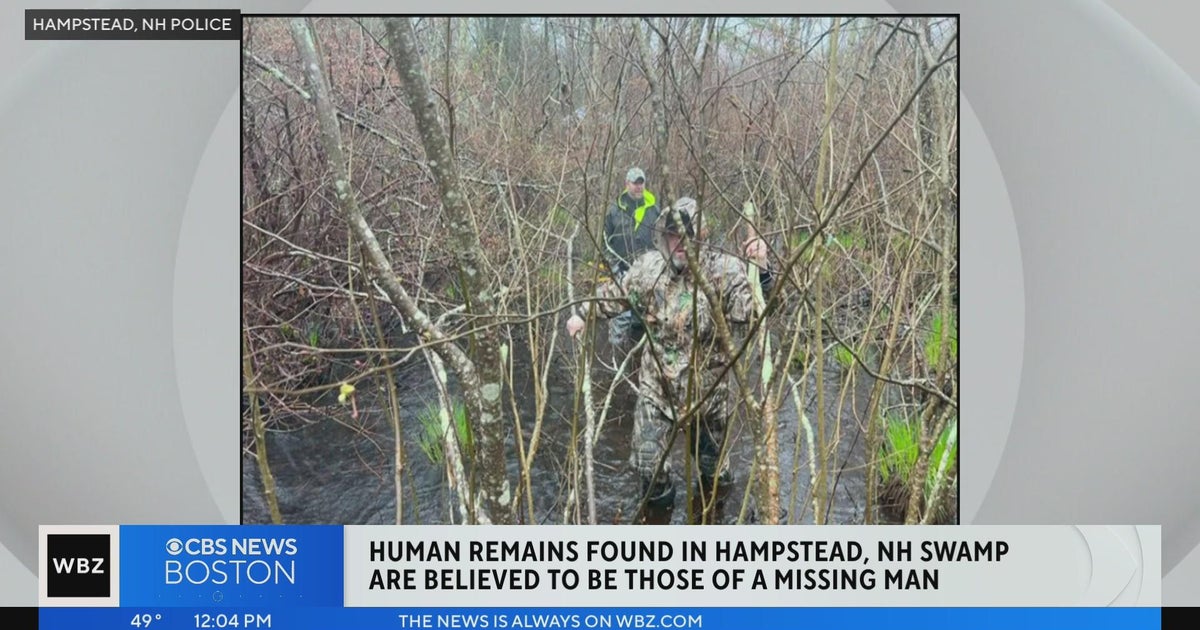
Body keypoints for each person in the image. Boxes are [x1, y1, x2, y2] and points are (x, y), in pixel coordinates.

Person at [568, 197, 773, 521]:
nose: (680, 243)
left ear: (700, 237)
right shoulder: (648, 269)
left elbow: (757, 312)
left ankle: (712, 520)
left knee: (714, 476)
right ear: (663, 235)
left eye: (688, 235)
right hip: (657, 390)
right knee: (648, 467)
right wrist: (582, 314)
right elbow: (615, 296)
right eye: (673, 234)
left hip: (709, 394)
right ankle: (659, 518)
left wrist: (763, 269)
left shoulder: (723, 271)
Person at [601, 167, 659, 349]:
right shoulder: (614, 211)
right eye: (635, 183)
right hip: (622, 274)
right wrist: (613, 268)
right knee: (620, 320)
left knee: (645, 321)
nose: (638, 187)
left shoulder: (654, 209)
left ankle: (640, 359)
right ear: (627, 184)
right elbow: (604, 243)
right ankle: (615, 362)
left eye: (641, 183)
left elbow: (662, 240)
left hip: (648, 276)